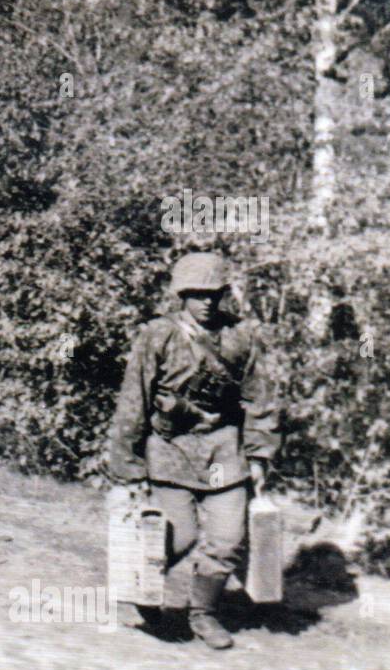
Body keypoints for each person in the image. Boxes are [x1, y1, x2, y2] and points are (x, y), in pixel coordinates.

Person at [107, 252, 281, 649]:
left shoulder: (241, 337)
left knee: (227, 539)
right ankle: (144, 585)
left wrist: (258, 455)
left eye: (213, 294)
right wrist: (129, 467)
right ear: (181, 296)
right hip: (171, 450)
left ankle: (203, 614)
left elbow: (261, 400)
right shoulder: (158, 335)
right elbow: (135, 399)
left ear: (223, 295)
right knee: (178, 535)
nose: (205, 302)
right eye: (195, 294)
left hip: (224, 452)